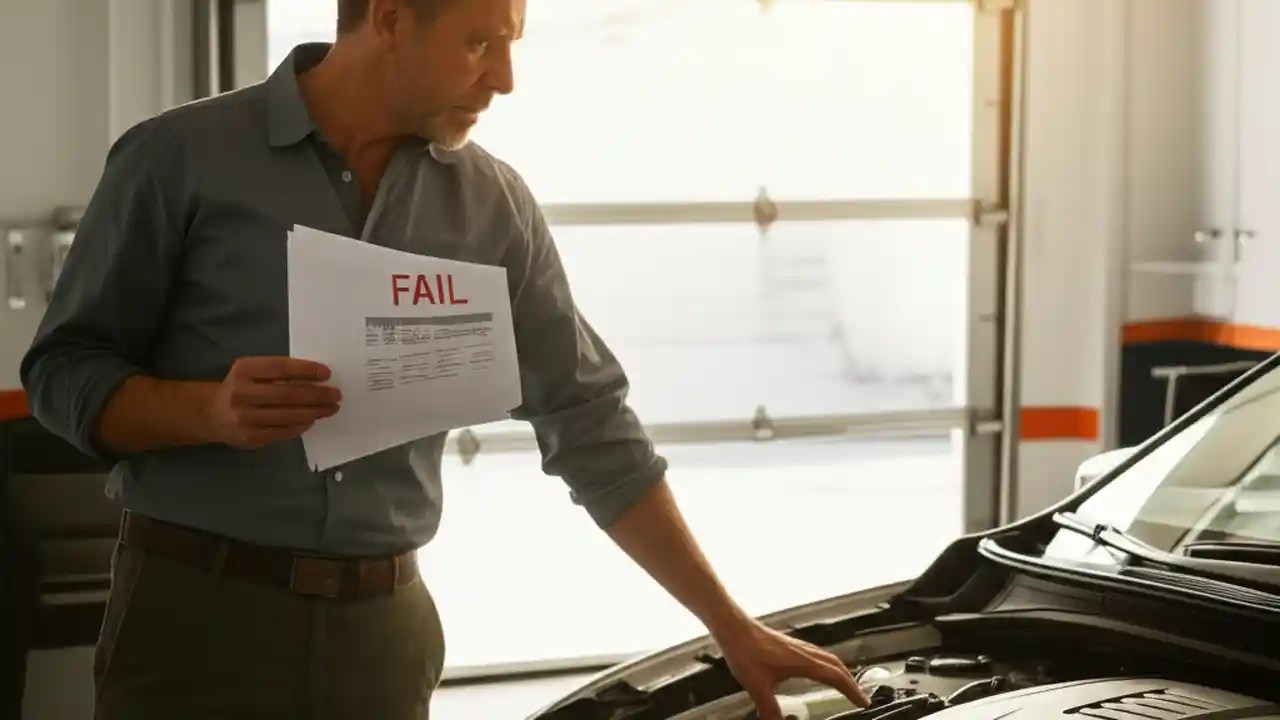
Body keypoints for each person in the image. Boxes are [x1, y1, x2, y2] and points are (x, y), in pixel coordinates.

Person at [20, 0, 870, 717]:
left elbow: (591, 426)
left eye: (511, 45)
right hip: (195, 618)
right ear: (389, 19)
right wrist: (205, 411)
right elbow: (62, 373)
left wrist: (733, 627)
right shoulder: (179, 157)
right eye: (479, 43)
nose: (503, 79)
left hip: (383, 637)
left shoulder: (493, 204)